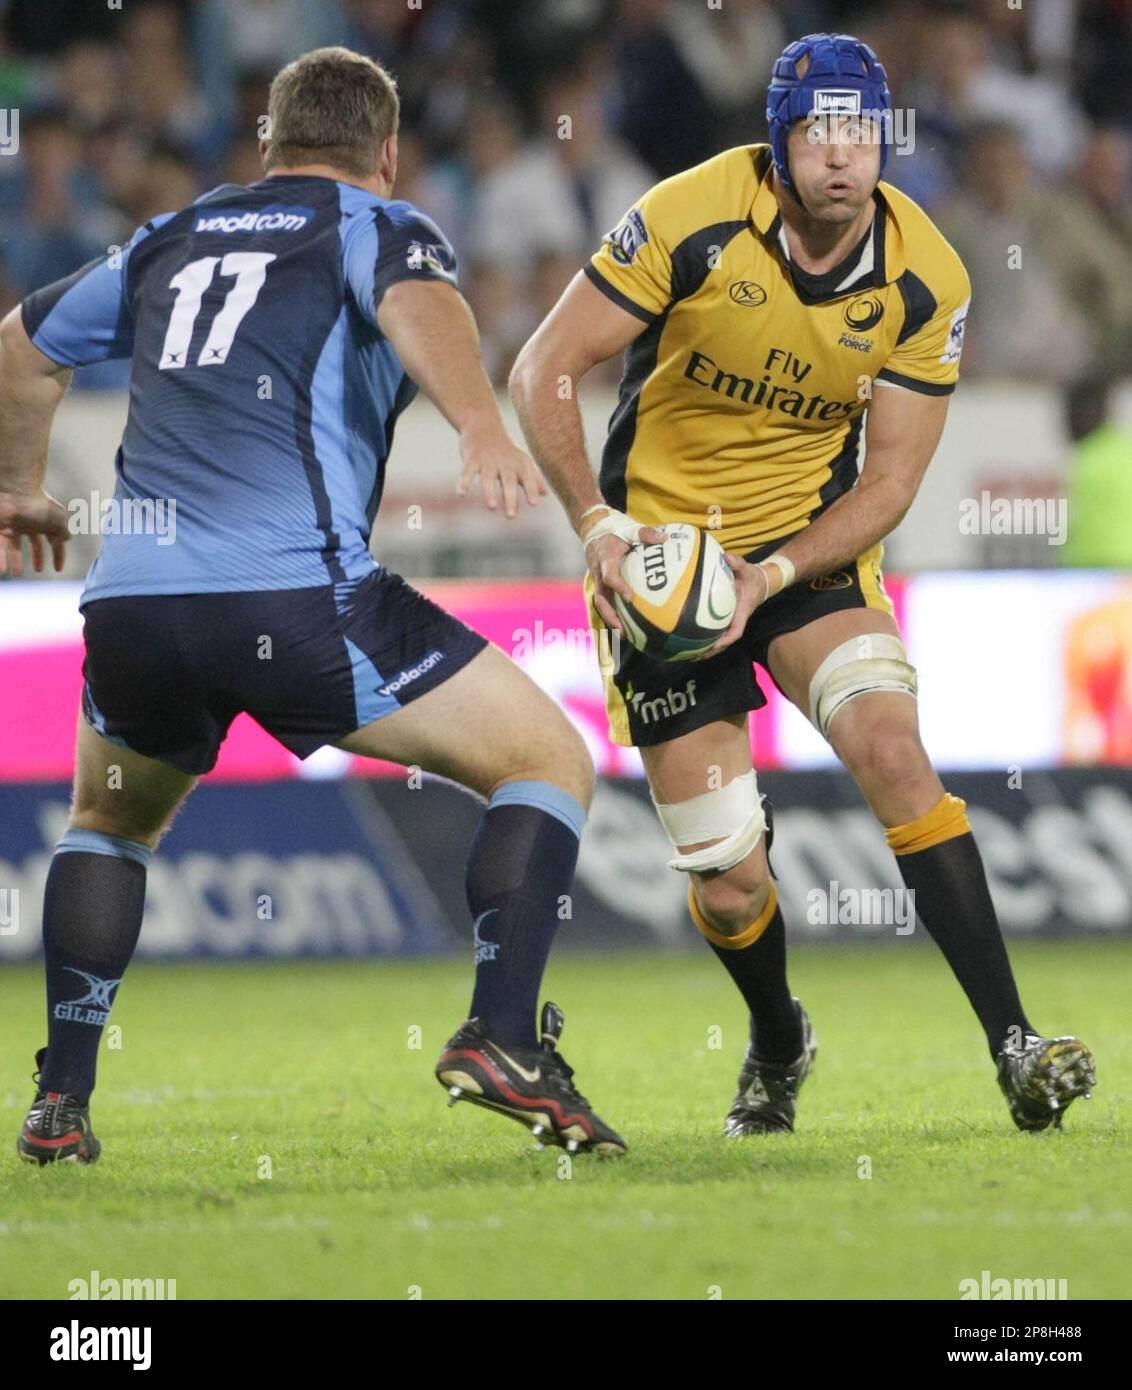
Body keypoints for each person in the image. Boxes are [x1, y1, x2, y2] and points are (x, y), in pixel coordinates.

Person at [2, 46, 625, 1165]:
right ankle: (500, 1035)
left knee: (109, 824)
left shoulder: (168, 236)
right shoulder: (378, 221)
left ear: (267, 141)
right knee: (548, 759)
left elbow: (20, 349)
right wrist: (481, 425)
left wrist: (18, 491)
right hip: (292, 595)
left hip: (136, 604)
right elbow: (422, 301)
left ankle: (61, 1102)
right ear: (386, 150)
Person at [510, 32, 1096, 1136]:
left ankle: (1015, 1045)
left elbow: (892, 481)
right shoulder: (688, 217)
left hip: (802, 553)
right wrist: (593, 523)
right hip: (662, 571)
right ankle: (778, 1036)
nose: (841, 154)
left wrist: (774, 569)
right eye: (817, 130)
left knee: (891, 746)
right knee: (728, 876)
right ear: (776, 144)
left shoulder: (929, 276)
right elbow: (541, 364)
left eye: (861, 131)